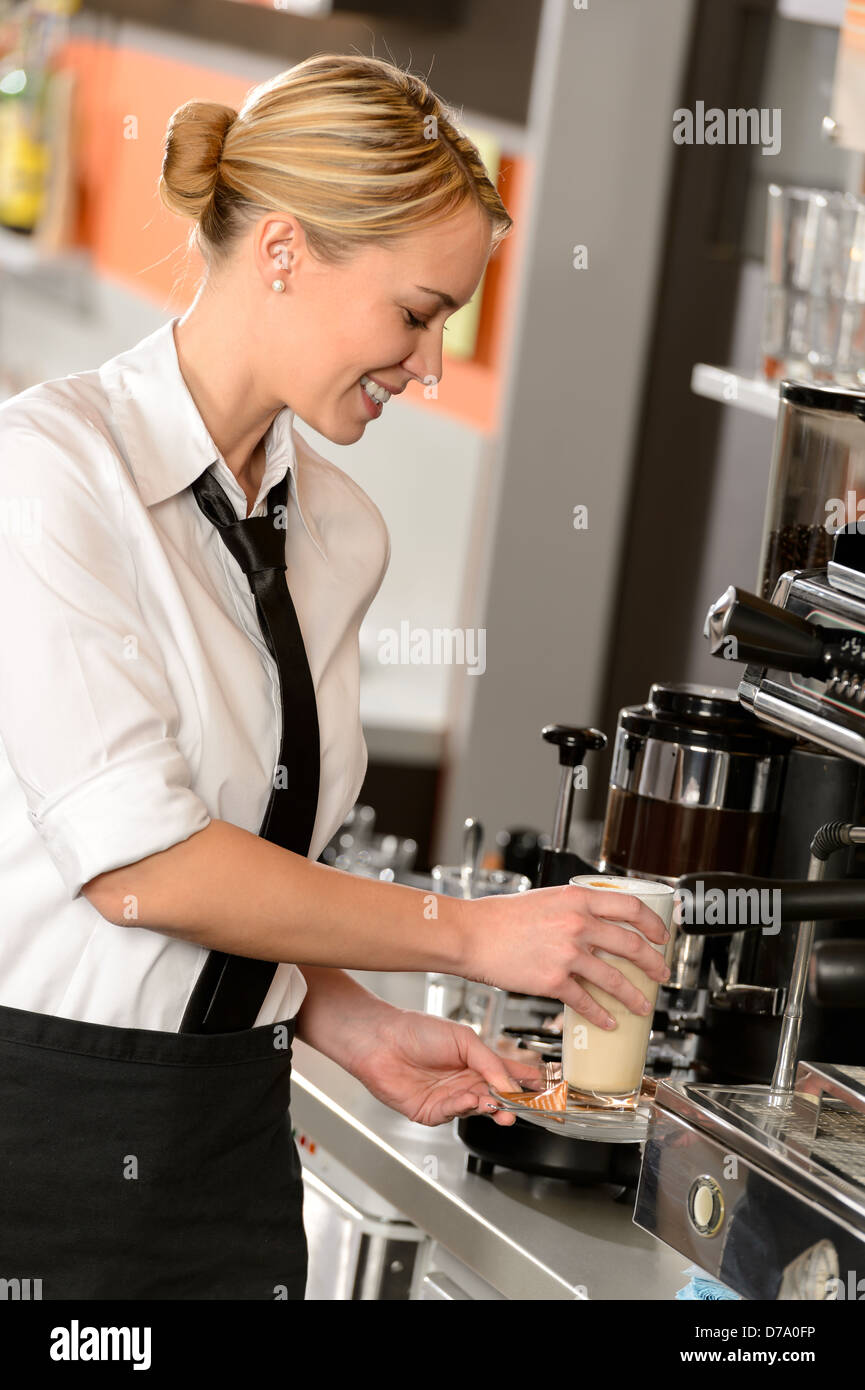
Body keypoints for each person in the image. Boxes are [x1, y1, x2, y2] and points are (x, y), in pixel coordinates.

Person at [0, 53, 670, 1300]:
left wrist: (350, 1021)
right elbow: (146, 868)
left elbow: (250, 871)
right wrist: (471, 936)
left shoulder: (338, 532)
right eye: (416, 313)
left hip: (230, 1156)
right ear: (285, 250)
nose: (426, 366)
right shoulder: (47, 477)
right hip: (40, 1143)